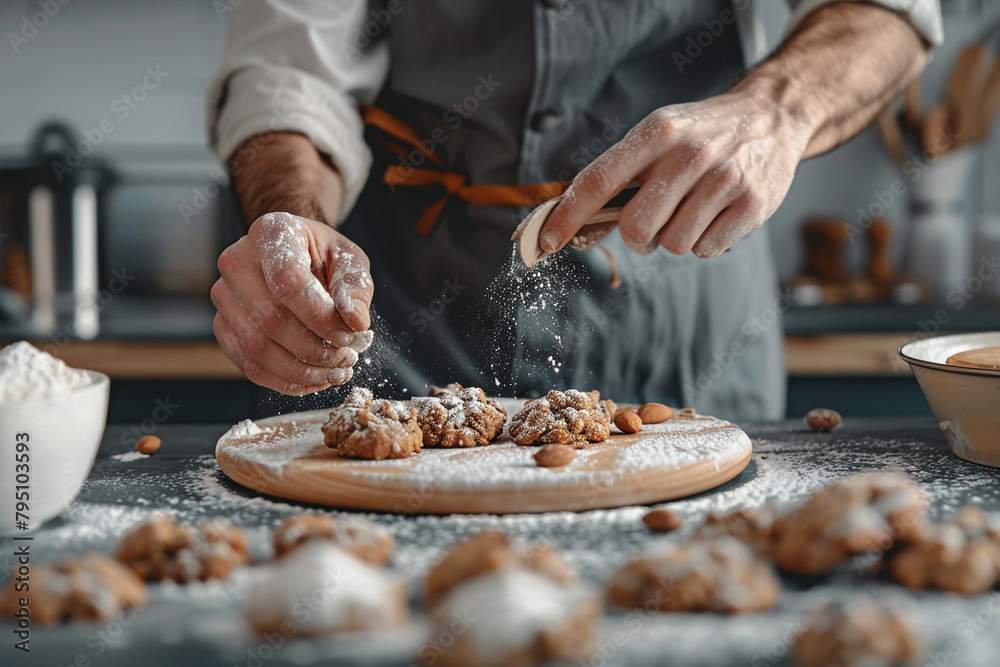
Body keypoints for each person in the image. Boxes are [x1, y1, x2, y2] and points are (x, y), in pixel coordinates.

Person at [207, 0, 941, 421]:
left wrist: (775, 111)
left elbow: (889, 15)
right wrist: (293, 218)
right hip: (393, 318)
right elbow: (290, 71)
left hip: (685, 308)